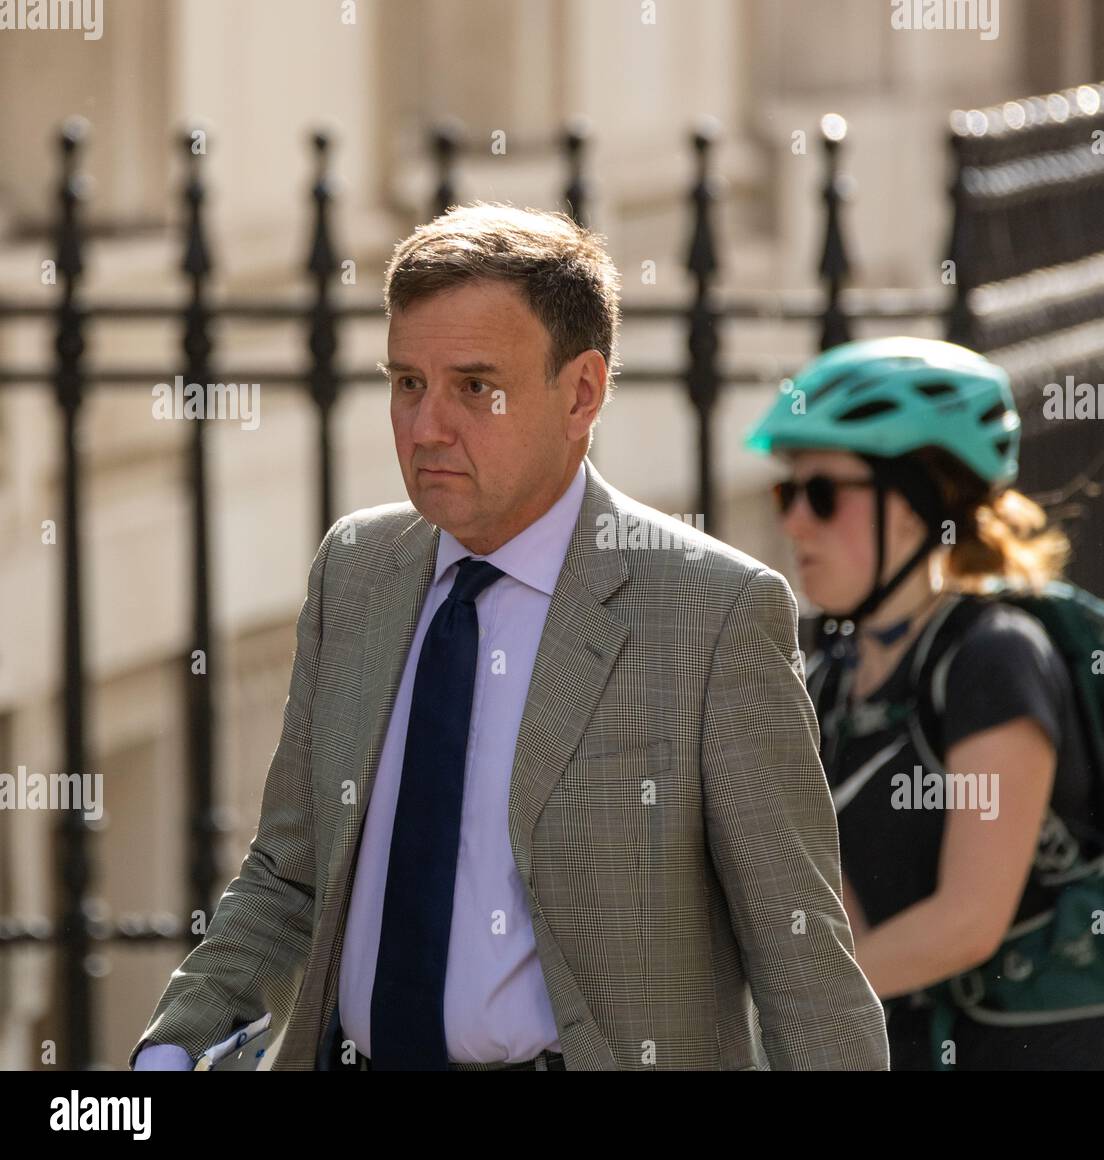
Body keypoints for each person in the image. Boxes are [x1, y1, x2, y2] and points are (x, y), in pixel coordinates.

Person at [131, 203, 888, 1072]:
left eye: (474, 387)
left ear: (582, 392)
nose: (425, 428)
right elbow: (289, 874)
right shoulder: (357, 571)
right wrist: (176, 1048)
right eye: (408, 382)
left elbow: (803, 969)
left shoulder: (711, 614)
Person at [745, 336, 1104, 1070]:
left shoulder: (993, 658)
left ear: (911, 508)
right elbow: (835, 905)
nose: (795, 523)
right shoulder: (828, 674)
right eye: (788, 493)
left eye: (822, 494)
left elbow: (969, 921)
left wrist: (785, 1017)